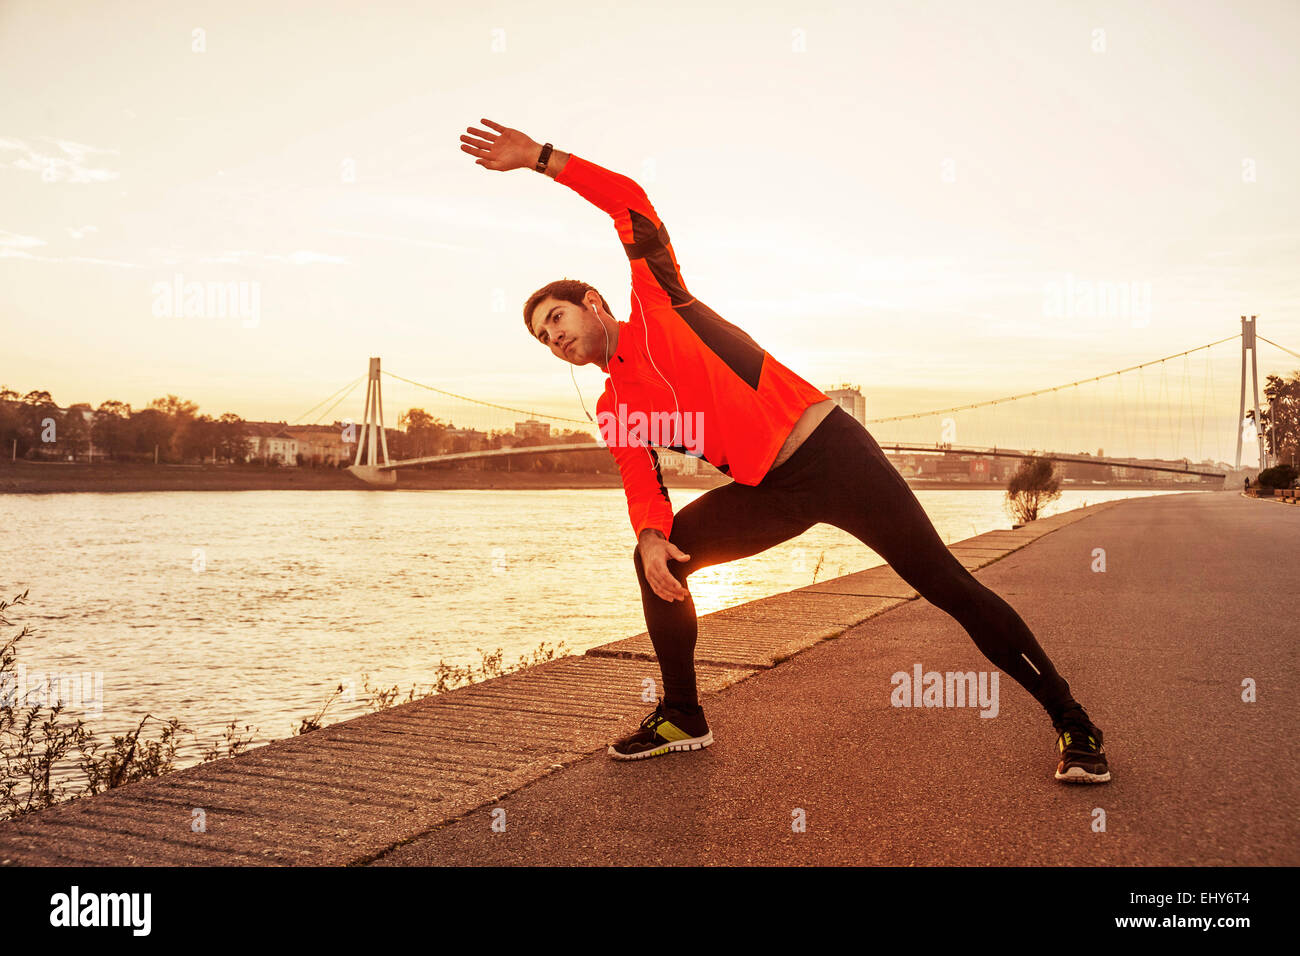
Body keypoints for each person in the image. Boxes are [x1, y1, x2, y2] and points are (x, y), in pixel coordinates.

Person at [460, 118, 1110, 783]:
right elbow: (641, 482)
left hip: (832, 453)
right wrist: (653, 535)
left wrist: (539, 159)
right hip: (771, 491)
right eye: (544, 338)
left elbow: (628, 199)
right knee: (661, 557)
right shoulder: (614, 406)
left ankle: (1071, 720)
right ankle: (683, 714)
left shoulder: (661, 303)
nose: (555, 339)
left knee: (945, 584)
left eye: (557, 320)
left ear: (592, 303)